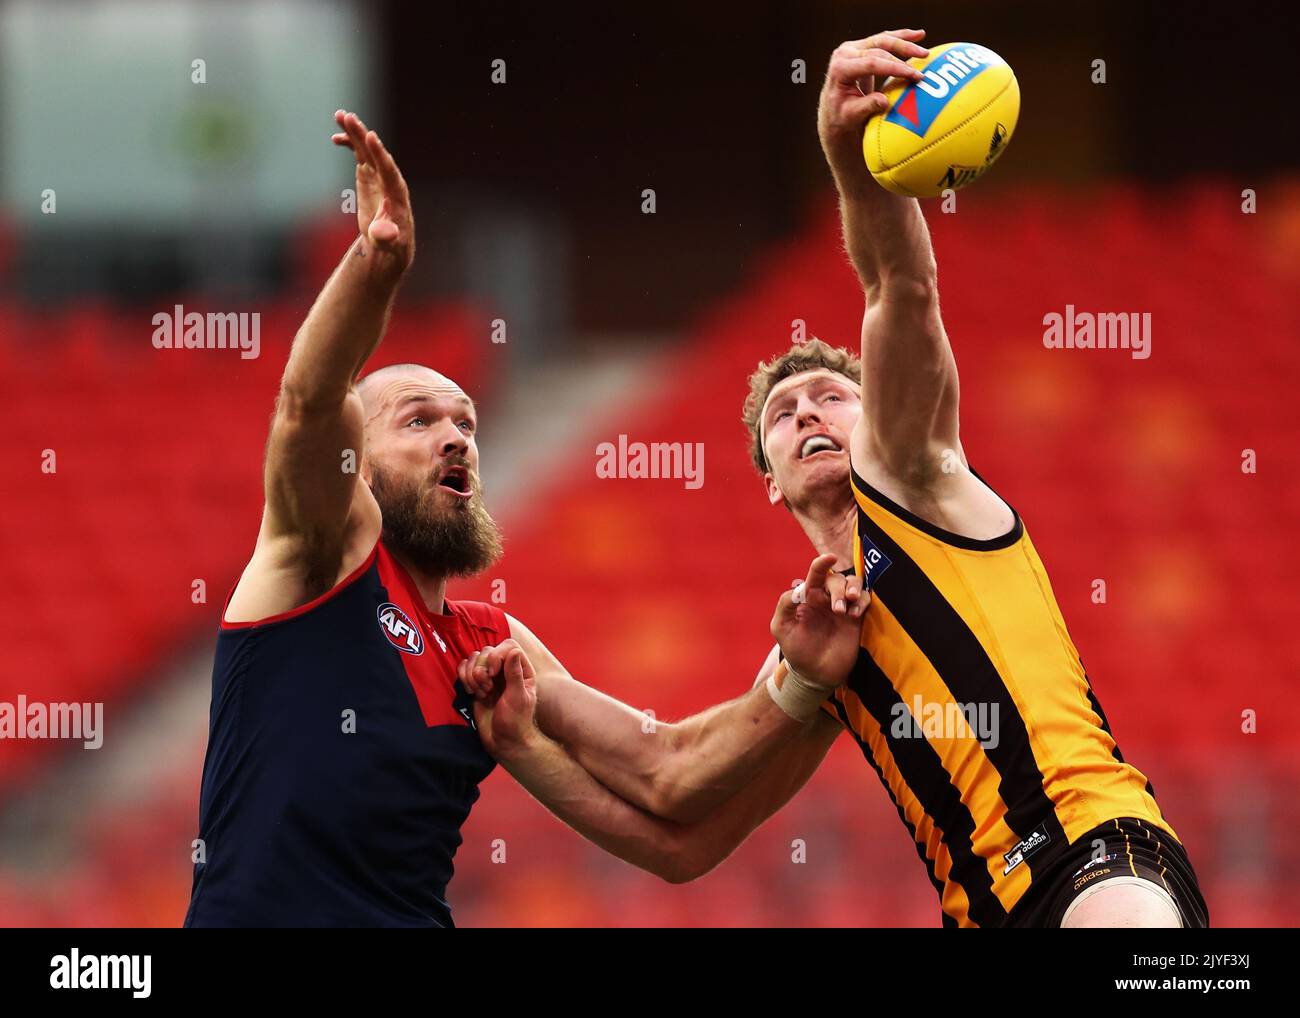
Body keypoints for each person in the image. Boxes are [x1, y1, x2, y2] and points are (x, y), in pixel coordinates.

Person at [466, 29, 1209, 928]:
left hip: (1094, 854)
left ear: (880, 418)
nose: (810, 414)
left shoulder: (919, 480)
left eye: (832, 397)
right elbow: (674, 813)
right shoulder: (822, 635)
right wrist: (522, 720)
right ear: (769, 481)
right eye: (784, 415)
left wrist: (849, 157)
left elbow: (902, 288)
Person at [184, 110, 862, 928]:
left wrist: (814, 683)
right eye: (418, 420)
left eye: (466, 424)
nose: (455, 439)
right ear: (354, 464)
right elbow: (307, 403)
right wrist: (376, 268)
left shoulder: (492, 644)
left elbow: (673, 798)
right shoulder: (316, 560)